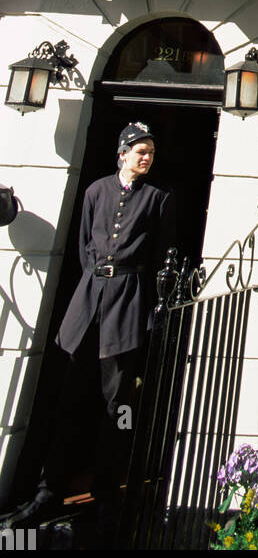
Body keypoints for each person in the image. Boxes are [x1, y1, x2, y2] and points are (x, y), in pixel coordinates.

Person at [3, 120, 175, 526]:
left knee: (120, 410)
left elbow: (161, 258)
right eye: (140, 151)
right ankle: (49, 492)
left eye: (150, 151)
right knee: (69, 404)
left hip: (127, 309)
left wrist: (142, 305)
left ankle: (106, 493)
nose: (147, 157)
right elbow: (84, 246)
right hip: (87, 306)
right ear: (122, 153)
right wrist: (98, 284)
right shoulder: (96, 191)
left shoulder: (158, 198)